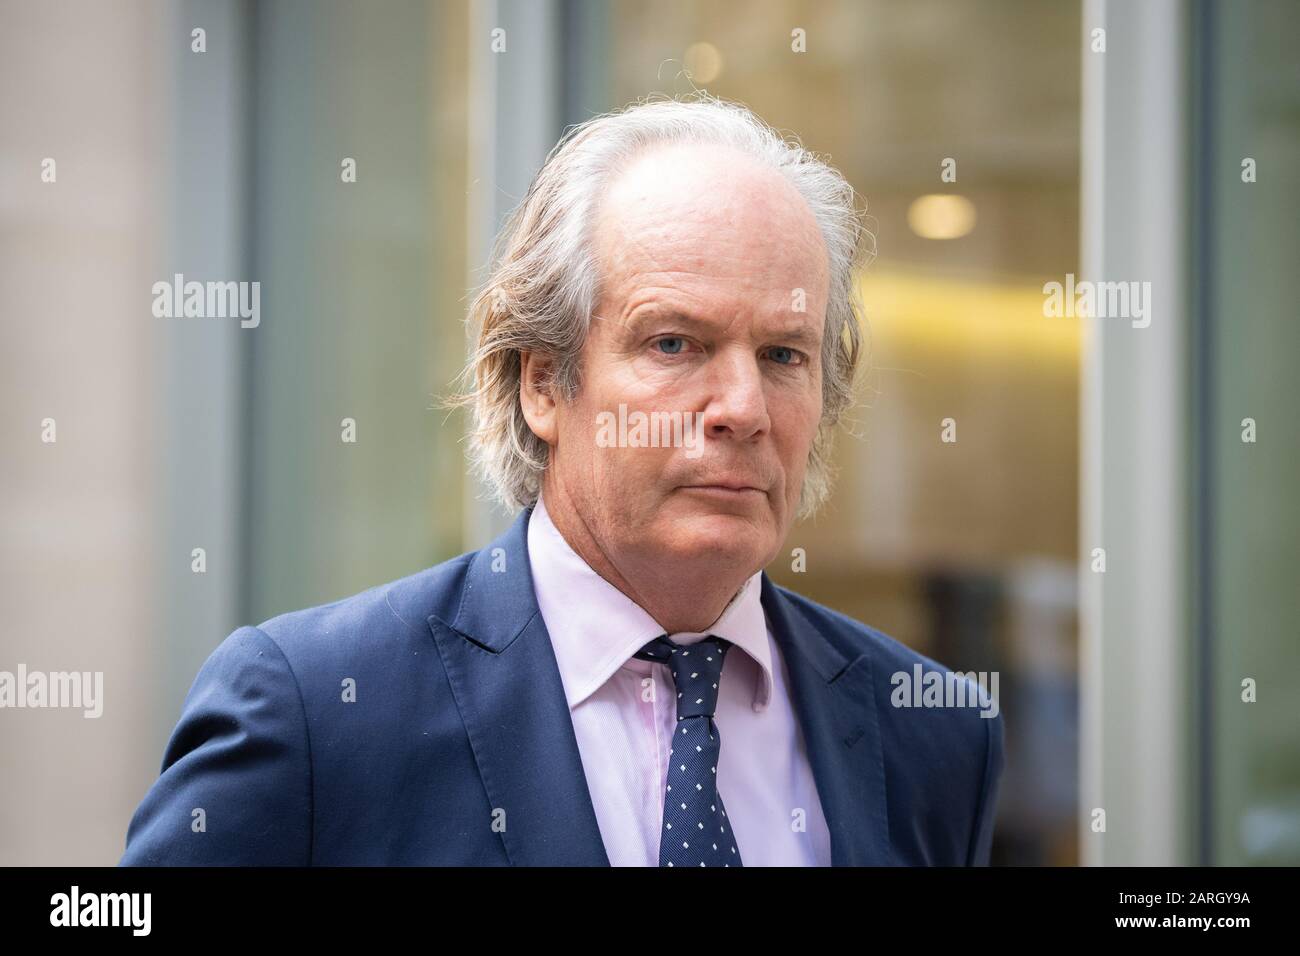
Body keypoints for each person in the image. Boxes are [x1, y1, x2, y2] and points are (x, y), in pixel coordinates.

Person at [120, 95, 1003, 866]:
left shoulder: (931, 732)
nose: (742, 407)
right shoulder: (315, 713)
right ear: (542, 381)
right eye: (674, 344)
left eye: (782, 355)